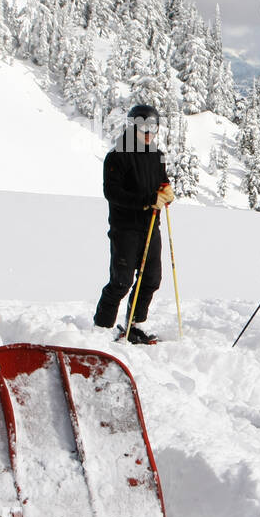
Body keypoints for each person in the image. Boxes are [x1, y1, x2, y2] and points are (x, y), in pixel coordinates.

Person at [93, 104, 174, 344]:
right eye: (143, 127)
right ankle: (101, 328)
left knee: (151, 279)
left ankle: (135, 324)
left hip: (150, 226)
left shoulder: (156, 155)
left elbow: (161, 181)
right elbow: (112, 192)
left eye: (153, 128)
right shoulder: (118, 155)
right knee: (121, 281)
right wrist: (148, 200)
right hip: (125, 228)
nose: (149, 133)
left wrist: (166, 190)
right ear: (132, 127)